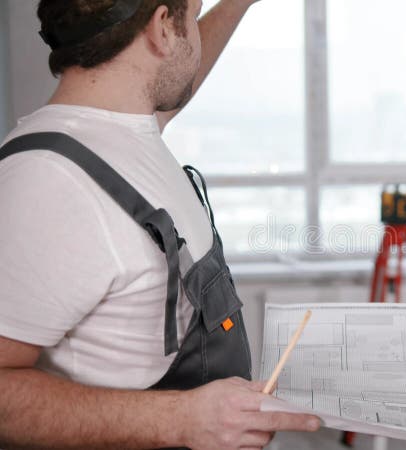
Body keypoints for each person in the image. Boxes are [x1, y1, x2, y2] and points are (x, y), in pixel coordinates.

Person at [0, 1, 320, 449]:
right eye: (193, 16)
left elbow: (181, 73)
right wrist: (183, 418)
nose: (198, 35)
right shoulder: (48, 182)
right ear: (163, 28)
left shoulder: (125, 129)